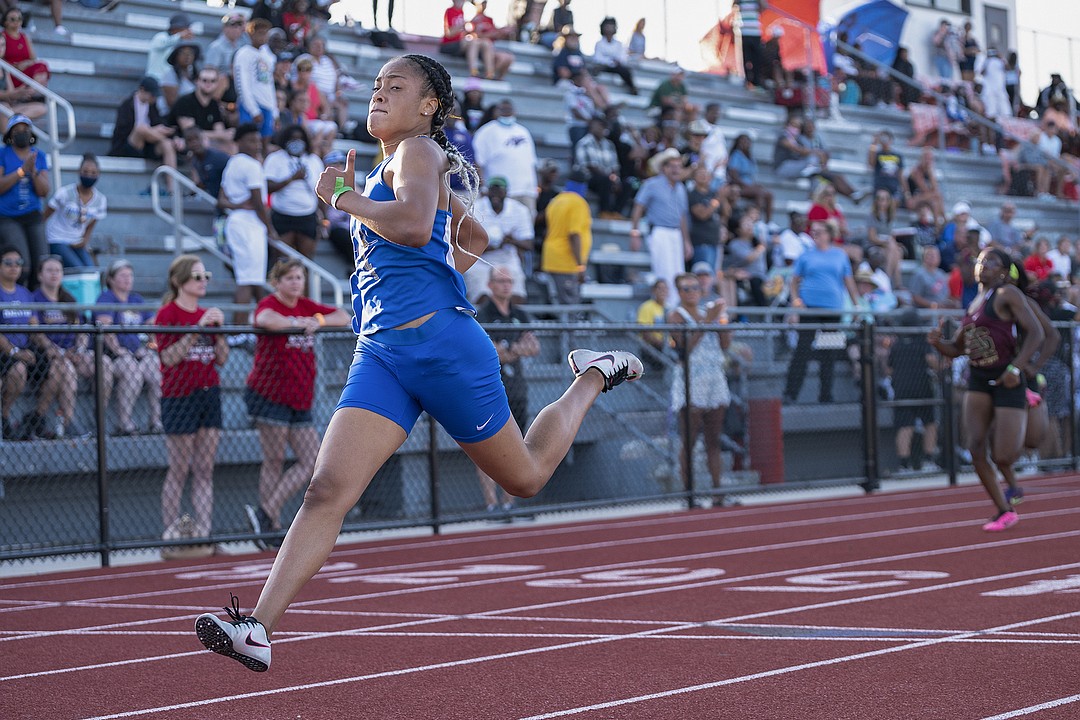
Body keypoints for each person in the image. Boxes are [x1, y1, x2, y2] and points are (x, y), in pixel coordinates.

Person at [194, 53, 643, 671]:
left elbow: (409, 226)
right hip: (380, 353)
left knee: (527, 477)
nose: (379, 94)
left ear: (429, 105)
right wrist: (434, 269)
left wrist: (350, 204)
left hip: (439, 347)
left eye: (395, 86)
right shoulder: (393, 163)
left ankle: (594, 372)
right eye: (375, 86)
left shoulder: (420, 153)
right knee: (327, 490)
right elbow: (474, 238)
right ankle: (257, 629)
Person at [928, 247, 1043, 532]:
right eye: (981, 259)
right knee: (976, 447)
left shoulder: (1007, 295)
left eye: (992, 261)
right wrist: (936, 343)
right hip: (979, 378)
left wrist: (1017, 368)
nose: (984, 264)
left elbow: (1037, 333)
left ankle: (1028, 404)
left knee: (1003, 455)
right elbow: (956, 349)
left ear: (1004, 272)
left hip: (1007, 378)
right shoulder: (973, 303)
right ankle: (1004, 511)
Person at [244, 259, 351, 549]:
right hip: (270, 393)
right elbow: (265, 319)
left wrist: (317, 320)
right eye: (289, 278)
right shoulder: (271, 303)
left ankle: (265, 512)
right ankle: (271, 524)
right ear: (276, 281)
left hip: (300, 395)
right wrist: (296, 323)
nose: (295, 283)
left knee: (311, 460)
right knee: (274, 459)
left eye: (299, 277)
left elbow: (343, 315)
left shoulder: (307, 305)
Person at [155, 255, 229, 546]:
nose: (203, 282)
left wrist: (219, 332)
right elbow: (168, 358)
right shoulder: (167, 314)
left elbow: (221, 359)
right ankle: (171, 531)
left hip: (208, 393)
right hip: (178, 396)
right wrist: (197, 327)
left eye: (205, 276)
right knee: (179, 467)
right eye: (197, 277)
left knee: (204, 468)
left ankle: (204, 532)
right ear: (179, 281)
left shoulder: (207, 314)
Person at [474, 266, 540, 518]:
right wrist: (514, 349)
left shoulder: (520, 314)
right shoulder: (482, 314)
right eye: (500, 281)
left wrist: (507, 350)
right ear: (490, 285)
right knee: (487, 447)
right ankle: (491, 503)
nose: (505, 286)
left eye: (509, 281)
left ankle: (509, 502)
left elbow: (533, 347)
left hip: (517, 388)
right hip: (490, 387)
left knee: (518, 444)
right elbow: (489, 351)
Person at [668, 272, 731, 499]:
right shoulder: (676, 316)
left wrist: (722, 320)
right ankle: (689, 493)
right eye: (686, 288)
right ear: (679, 292)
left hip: (714, 376)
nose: (692, 292)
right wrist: (706, 321)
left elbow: (725, 345)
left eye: (695, 287)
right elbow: (685, 349)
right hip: (690, 379)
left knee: (714, 439)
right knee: (690, 440)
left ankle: (718, 492)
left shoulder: (708, 313)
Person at [783, 220, 860, 405]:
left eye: (819, 231)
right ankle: (790, 394)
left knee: (829, 352)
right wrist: (795, 302)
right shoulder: (805, 255)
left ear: (829, 233)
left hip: (833, 310)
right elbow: (794, 281)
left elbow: (848, 281)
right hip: (809, 309)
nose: (815, 234)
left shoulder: (840, 255)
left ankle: (826, 395)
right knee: (802, 349)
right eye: (813, 232)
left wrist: (856, 306)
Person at [32, 255, 101, 439]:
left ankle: (99, 420)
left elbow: (82, 330)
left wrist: (80, 349)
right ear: (40, 275)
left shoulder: (69, 299)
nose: (54, 274)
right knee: (66, 369)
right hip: (49, 355)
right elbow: (36, 333)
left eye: (58, 270)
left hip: (73, 353)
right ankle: (69, 421)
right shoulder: (34, 299)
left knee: (105, 365)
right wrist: (59, 351)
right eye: (50, 270)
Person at [221, 123, 279, 336]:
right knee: (247, 280)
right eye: (250, 140)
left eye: (257, 140)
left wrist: (235, 205)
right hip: (249, 224)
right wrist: (270, 229)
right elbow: (258, 202)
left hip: (238, 221)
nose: (256, 144)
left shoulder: (232, 163)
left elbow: (222, 199)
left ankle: (250, 328)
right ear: (238, 142)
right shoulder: (251, 165)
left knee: (252, 278)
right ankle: (238, 333)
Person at [95, 259, 162, 436]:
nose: (128, 279)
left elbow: (152, 329)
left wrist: (150, 347)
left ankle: (156, 421)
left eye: (130, 275)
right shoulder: (106, 298)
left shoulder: (136, 299)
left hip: (137, 352)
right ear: (110, 279)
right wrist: (118, 350)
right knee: (133, 371)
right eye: (123, 275)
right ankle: (124, 423)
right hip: (113, 355)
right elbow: (106, 330)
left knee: (155, 367)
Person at [0, 246, 60, 440]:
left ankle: (37, 417)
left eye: (18, 263)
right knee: (18, 369)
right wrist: (14, 351)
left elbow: (34, 328)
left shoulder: (25, 293)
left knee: (58, 367)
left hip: (25, 349)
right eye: (8, 262)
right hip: (5, 351)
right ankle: (5, 416)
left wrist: (49, 346)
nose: (14, 267)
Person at [629, 148, 691, 304]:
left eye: (679, 165)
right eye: (672, 165)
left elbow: (682, 216)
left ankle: (676, 307)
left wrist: (686, 241)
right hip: (659, 231)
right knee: (664, 271)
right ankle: (665, 307)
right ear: (664, 168)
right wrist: (635, 232)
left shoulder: (681, 188)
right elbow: (638, 207)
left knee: (678, 272)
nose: (676, 169)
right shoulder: (652, 184)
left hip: (675, 233)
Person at [464, 176, 533, 304]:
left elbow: (529, 244)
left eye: (499, 190)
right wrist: (496, 246)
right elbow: (467, 247)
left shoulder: (520, 210)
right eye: (492, 190)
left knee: (516, 295)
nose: (495, 194)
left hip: (508, 260)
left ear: (506, 192)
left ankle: (512, 322)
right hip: (480, 262)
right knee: (482, 295)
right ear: (487, 191)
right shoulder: (474, 208)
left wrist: (511, 241)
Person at [0, 114, 49, 289]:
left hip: (33, 215)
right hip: (7, 217)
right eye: (17, 130)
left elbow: (44, 191)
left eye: (25, 130)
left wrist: (33, 171)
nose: (22, 133)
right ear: (10, 135)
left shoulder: (39, 156)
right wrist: (21, 171)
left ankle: (36, 304)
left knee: (42, 264)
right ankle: (18, 302)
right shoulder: (2, 153)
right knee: (23, 264)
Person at [889, 308, 941, 471]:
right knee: (930, 423)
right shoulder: (921, 342)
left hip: (901, 388)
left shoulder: (897, 344)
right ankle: (928, 460)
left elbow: (889, 369)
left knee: (905, 425)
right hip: (922, 387)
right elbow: (931, 360)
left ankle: (904, 464)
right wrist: (941, 368)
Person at [264, 125, 323, 267]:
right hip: (282, 215)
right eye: (292, 139)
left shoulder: (313, 160)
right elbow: (267, 187)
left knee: (306, 263)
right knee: (282, 263)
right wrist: (291, 179)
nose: (297, 142)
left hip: (307, 216)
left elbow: (321, 190)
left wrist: (324, 217)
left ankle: (306, 290)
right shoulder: (275, 159)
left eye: (300, 139)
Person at [108, 77, 178, 194]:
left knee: (167, 144)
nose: (154, 98)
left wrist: (159, 131)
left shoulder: (152, 106)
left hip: (148, 145)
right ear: (142, 90)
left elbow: (158, 121)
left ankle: (172, 187)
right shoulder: (126, 105)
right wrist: (152, 130)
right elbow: (122, 131)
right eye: (152, 95)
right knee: (141, 128)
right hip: (129, 145)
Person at [470, 99, 539, 216]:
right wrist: (483, 187)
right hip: (501, 192)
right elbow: (477, 162)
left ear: (515, 111)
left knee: (525, 230)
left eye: (509, 109)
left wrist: (534, 189)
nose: (507, 112)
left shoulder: (523, 131)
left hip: (526, 191)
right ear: (496, 111)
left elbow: (531, 162)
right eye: (503, 109)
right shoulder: (486, 132)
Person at [43, 153, 106, 269]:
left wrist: (85, 240)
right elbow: (45, 216)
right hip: (57, 238)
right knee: (78, 269)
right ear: (79, 172)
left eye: (93, 173)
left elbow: (92, 223)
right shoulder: (64, 193)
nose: (89, 175)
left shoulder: (100, 200)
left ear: (98, 174)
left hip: (77, 242)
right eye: (85, 172)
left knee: (91, 269)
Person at [539, 169, 592, 305]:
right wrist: (580, 265)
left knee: (557, 304)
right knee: (569, 307)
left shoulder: (556, 200)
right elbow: (574, 234)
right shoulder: (578, 202)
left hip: (551, 258)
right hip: (566, 262)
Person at [233, 19, 279, 156]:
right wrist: (253, 109)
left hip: (267, 104)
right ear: (250, 34)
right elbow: (241, 83)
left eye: (265, 33)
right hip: (251, 105)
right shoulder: (243, 54)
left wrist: (274, 110)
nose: (263, 37)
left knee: (265, 144)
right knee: (248, 141)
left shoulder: (268, 56)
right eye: (259, 33)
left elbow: (270, 84)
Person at [168, 66, 234, 154]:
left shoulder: (214, 104)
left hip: (208, 142)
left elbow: (219, 129)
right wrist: (222, 135)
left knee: (231, 146)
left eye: (212, 81)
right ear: (197, 81)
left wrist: (223, 135)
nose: (208, 84)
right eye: (204, 80)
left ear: (217, 83)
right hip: (181, 142)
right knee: (204, 143)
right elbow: (191, 134)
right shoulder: (185, 101)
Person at [574, 115, 626, 219]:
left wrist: (615, 179)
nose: (600, 129)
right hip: (589, 178)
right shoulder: (584, 143)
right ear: (591, 127)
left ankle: (616, 212)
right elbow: (590, 166)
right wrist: (611, 179)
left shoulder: (609, 145)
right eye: (598, 126)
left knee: (629, 184)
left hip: (607, 178)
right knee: (605, 180)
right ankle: (604, 211)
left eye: (603, 126)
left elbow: (614, 166)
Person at [726, 134, 773, 223]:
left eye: (747, 141)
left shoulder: (750, 157)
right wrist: (747, 185)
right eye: (743, 141)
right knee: (759, 193)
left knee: (769, 194)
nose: (745, 143)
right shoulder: (736, 155)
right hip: (739, 186)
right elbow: (733, 176)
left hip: (749, 185)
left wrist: (753, 185)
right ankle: (756, 220)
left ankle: (768, 222)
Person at [1, 7, 49, 89]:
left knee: (42, 66)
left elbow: (33, 58)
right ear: (5, 22)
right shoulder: (2, 37)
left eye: (19, 18)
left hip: (24, 71)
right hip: (9, 74)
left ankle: (28, 92)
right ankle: (24, 93)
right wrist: (15, 67)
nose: (16, 21)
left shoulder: (24, 37)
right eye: (13, 19)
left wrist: (26, 64)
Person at [592, 17, 637, 95]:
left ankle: (632, 88)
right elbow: (597, 58)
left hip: (617, 67)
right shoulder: (599, 44)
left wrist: (616, 62)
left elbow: (622, 57)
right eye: (607, 27)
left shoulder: (619, 44)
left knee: (625, 71)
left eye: (611, 27)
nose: (609, 29)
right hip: (604, 67)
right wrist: (610, 62)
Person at [146, 12, 194, 82]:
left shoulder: (178, 41)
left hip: (168, 82)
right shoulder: (160, 37)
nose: (185, 32)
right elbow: (166, 42)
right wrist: (180, 36)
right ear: (175, 28)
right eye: (183, 29)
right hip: (155, 80)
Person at [160, 41, 201, 115]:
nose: (187, 56)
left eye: (190, 53)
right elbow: (172, 103)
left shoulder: (194, 73)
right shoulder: (169, 75)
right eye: (183, 53)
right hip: (171, 115)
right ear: (176, 56)